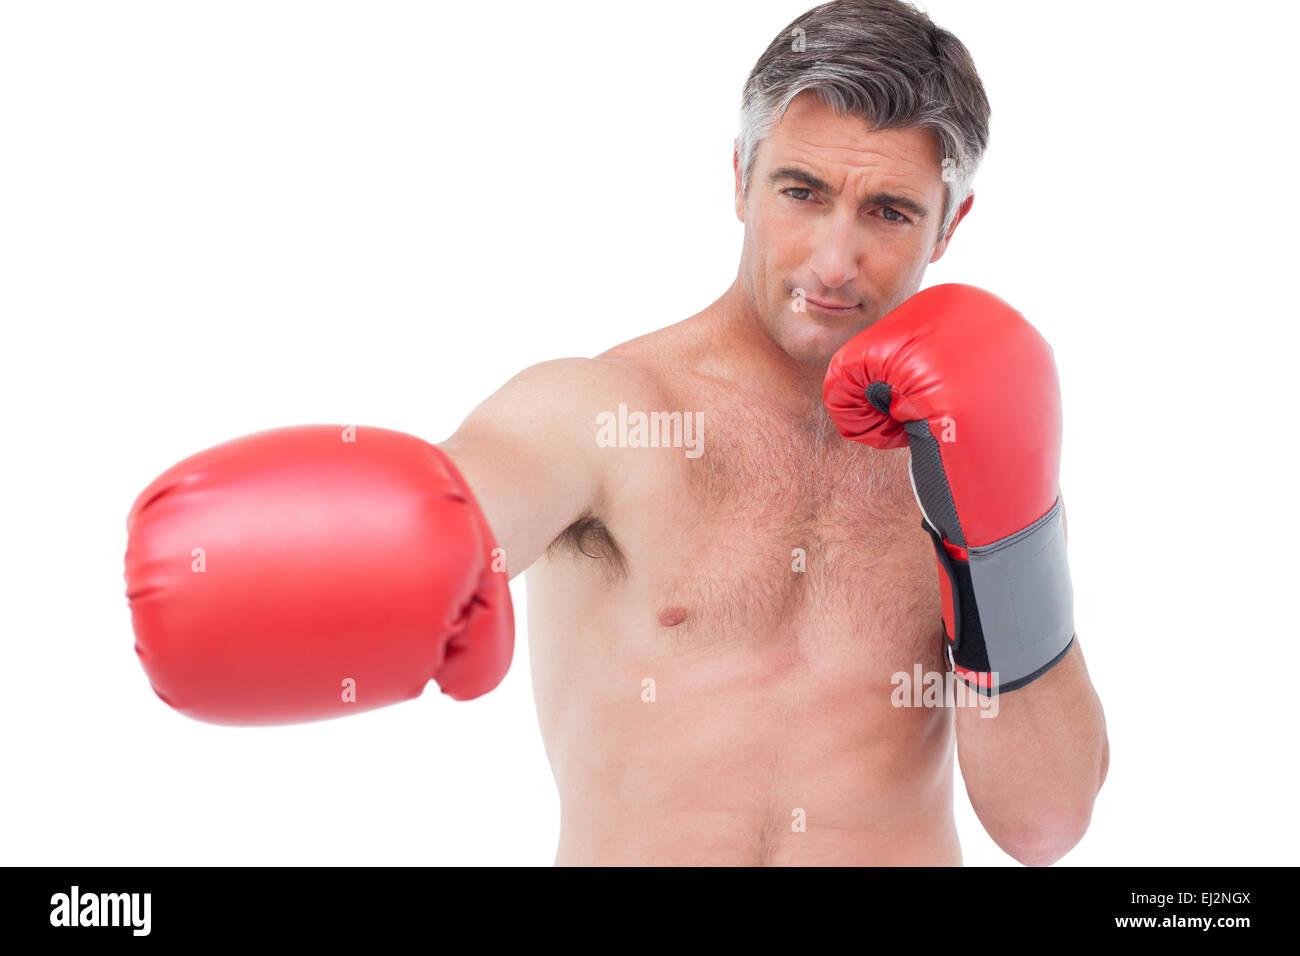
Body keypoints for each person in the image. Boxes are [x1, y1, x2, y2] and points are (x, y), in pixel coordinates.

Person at [125, 0, 1108, 866]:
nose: (833, 261)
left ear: (950, 224)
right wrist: (400, 553)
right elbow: (472, 494)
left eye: (888, 210)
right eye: (800, 192)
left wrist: (998, 544)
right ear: (738, 178)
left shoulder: (971, 451)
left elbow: (1043, 823)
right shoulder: (601, 412)